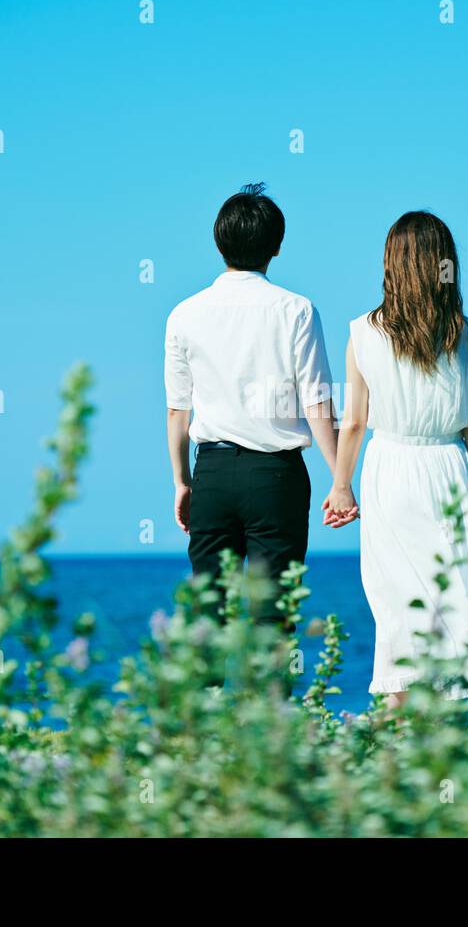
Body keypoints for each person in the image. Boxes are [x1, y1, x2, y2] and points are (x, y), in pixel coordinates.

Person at [323, 211, 468, 703]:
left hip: (391, 471)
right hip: (452, 473)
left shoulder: (364, 332)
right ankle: (451, 730)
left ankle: (398, 725)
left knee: (400, 609)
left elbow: (356, 422)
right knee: (460, 603)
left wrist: (341, 485)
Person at [164, 183, 337, 626]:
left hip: (213, 474)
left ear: (218, 241)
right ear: (276, 246)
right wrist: (341, 480)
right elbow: (317, 401)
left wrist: (183, 483)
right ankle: (272, 698)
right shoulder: (296, 310)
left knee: (207, 617)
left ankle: (202, 697)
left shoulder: (184, 314)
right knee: (273, 621)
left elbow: (177, 411)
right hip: (276, 478)